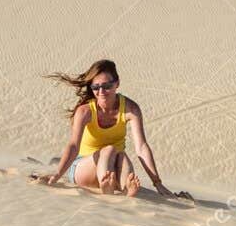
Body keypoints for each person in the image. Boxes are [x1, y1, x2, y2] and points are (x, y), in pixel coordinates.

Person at [35, 59, 179, 196]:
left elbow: (141, 147)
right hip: (83, 168)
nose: (101, 91)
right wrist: (57, 174)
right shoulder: (85, 111)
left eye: (107, 86)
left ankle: (124, 190)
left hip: (114, 167)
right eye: (96, 87)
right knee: (110, 149)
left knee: (121, 156)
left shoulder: (131, 108)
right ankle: (107, 187)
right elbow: (73, 146)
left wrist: (157, 183)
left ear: (117, 84)